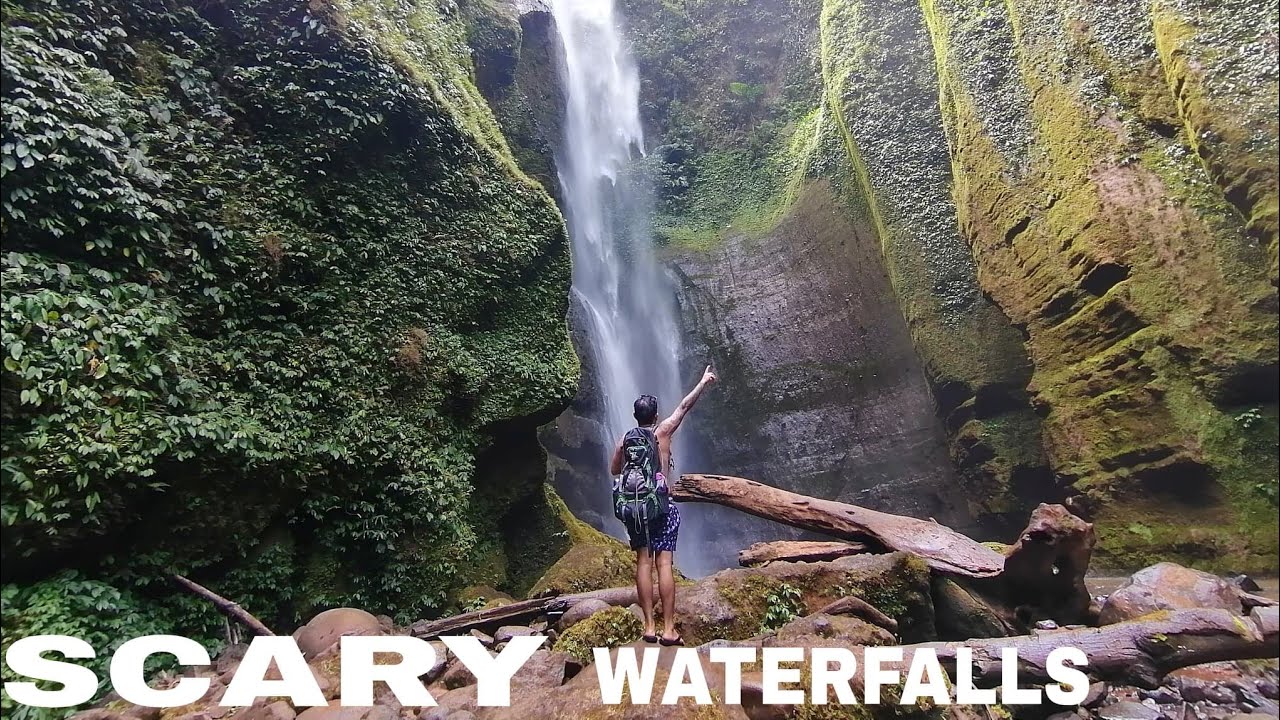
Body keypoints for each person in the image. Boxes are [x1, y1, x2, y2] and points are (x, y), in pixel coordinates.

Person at [609, 365, 718, 646]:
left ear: (635, 416)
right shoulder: (664, 431)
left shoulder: (626, 439)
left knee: (643, 563)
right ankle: (669, 630)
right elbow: (684, 406)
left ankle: (648, 627)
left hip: (636, 510)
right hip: (661, 507)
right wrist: (704, 381)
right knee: (665, 563)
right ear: (655, 415)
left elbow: (614, 471)